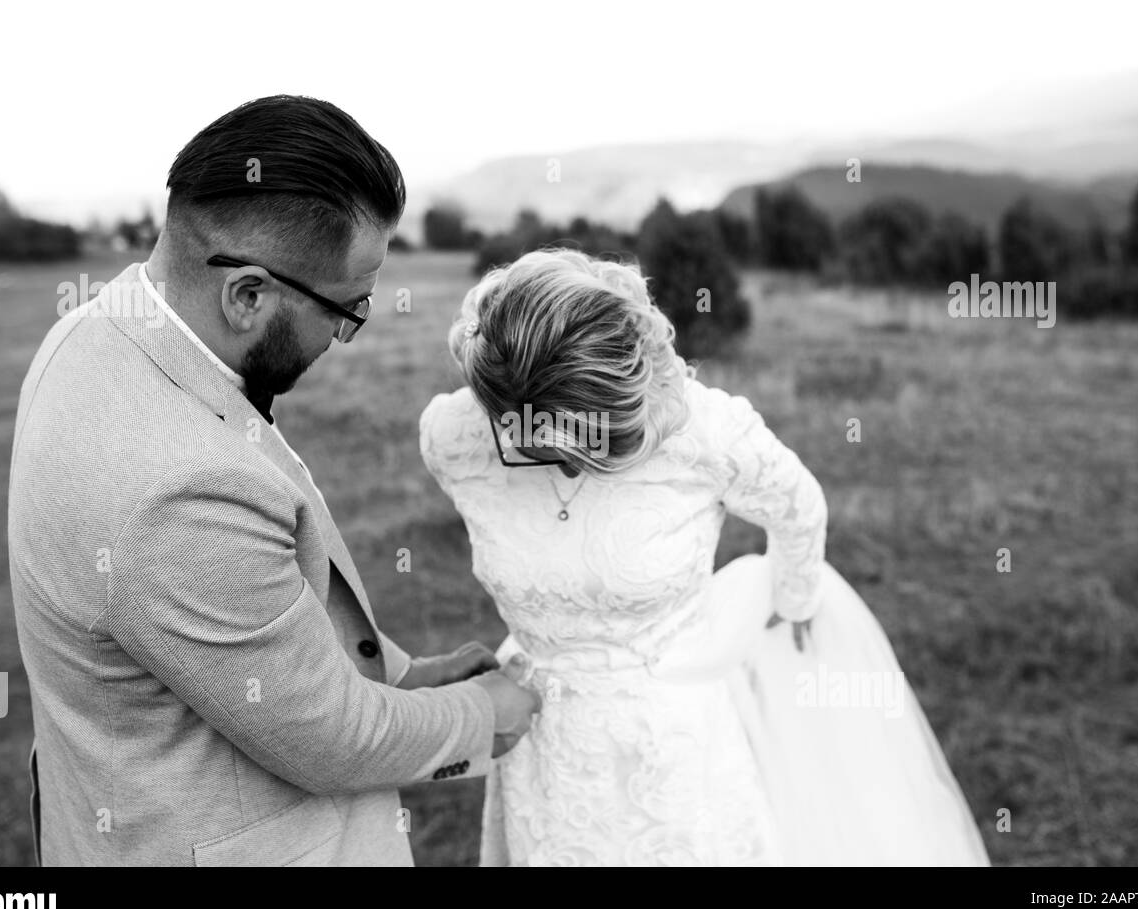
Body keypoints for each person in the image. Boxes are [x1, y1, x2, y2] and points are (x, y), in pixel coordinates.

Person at [8, 95, 540, 866]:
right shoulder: (181, 492)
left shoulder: (93, 333)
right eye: (349, 307)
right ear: (248, 295)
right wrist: (482, 715)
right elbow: (330, 740)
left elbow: (255, 627)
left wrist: (403, 676)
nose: (347, 334)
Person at [420, 248, 990, 866]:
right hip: (539, 744)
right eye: (542, 448)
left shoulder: (702, 430)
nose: (573, 466)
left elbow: (798, 507)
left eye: (596, 444)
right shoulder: (453, 439)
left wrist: (795, 602)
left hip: (676, 744)